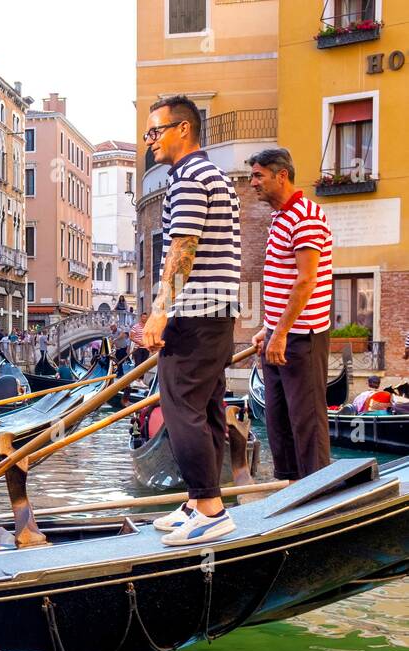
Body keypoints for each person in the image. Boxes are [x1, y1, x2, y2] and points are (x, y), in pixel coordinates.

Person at [143, 94, 242, 546]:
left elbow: (182, 248)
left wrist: (160, 312)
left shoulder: (187, 178)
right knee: (207, 409)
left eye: (155, 132)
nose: (150, 142)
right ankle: (197, 500)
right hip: (218, 311)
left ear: (183, 129)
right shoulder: (214, 175)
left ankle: (210, 509)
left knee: (179, 408)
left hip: (195, 312)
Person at [247, 147, 334, 483]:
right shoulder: (280, 218)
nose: (253, 183)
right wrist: (268, 329)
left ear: (281, 175)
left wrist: (280, 333)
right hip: (279, 335)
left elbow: (306, 280)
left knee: (307, 421)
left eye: (258, 176)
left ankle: (317, 494)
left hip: (303, 336)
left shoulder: (306, 216)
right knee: (278, 420)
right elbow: (282, 283)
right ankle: (289, 487)